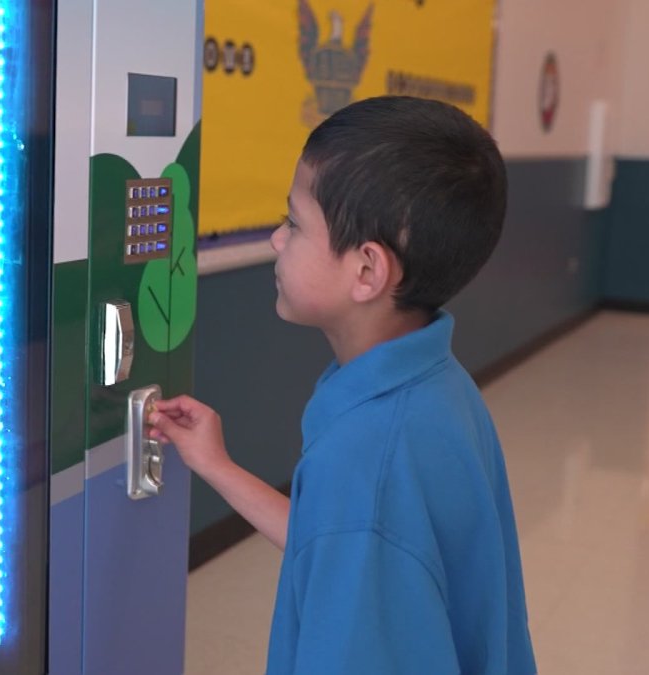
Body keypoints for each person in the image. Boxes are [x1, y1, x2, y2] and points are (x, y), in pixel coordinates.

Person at [149, 96, 537, 674]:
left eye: (294, 224)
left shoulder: (369, 456)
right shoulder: (438, 390)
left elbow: (361, 528)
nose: (278, 240)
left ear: (367, 270)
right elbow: (336, 538)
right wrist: (217, 466)